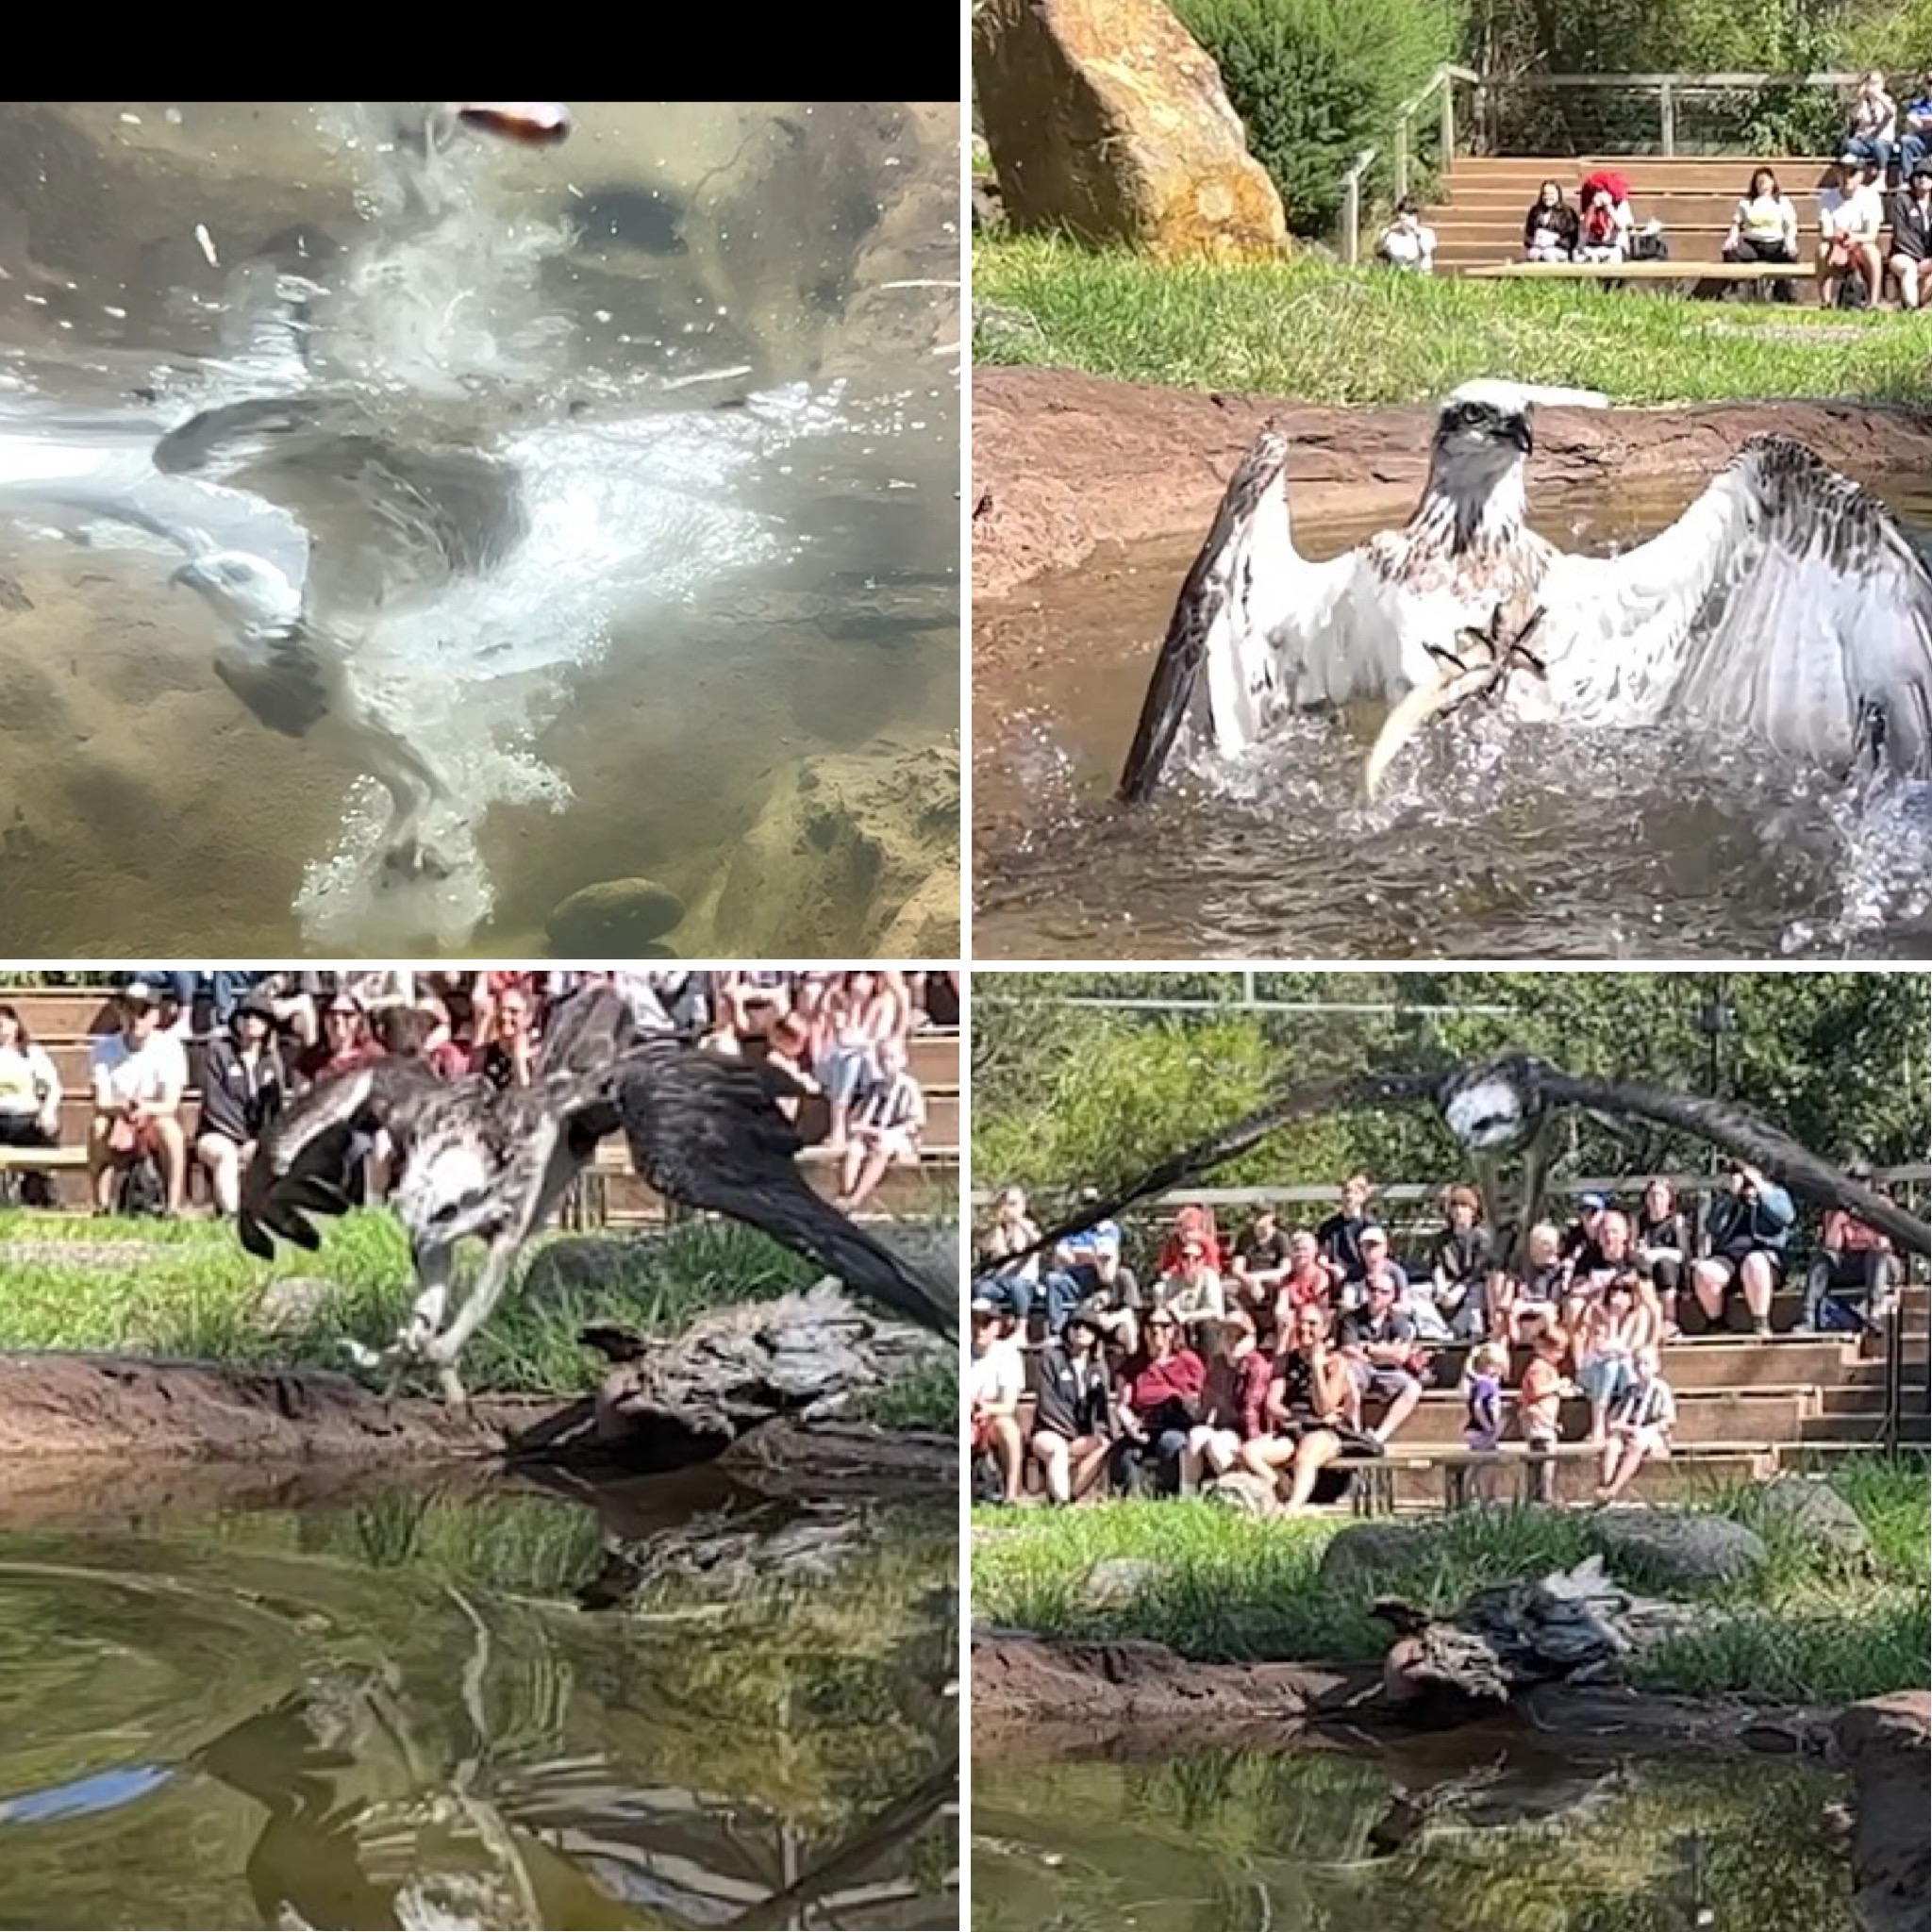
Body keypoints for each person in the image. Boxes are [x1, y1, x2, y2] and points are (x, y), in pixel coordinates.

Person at [1237, 1305, 1374, 1510]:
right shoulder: (1285, 1360)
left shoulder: (1336, 1362)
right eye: (1301, 1321)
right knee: (1249, 1452)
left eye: (1312, 1323)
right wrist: (1294, 1418)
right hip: (1296, 1426)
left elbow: (1324, 1408)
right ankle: (1281, 1488)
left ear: (1325, 1330)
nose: (1304, 1328)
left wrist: (1317, 1367)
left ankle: (1293, 1508)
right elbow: (1273, 1403)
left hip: (1327, 1430)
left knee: (1306, 1454)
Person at [87, 981, 191, 1217]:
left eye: (143, 1012)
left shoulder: (170, 1047)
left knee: (170, 1130)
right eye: (130, 1010)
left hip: (153, 1116)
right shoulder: (103, 1049)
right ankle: (100, 1204)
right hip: (118, 1115)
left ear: (156, 1015)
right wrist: (122, 1109)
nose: (136, 1018)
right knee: (98, 1127)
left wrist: (145, 1108)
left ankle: (173, 1206)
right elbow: (100, 1103)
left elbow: (170, 1104)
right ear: (120, 1012)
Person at [194, 995, 287, 1218]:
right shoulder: (219, 1053)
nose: (251, 1020)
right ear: (235, 1021)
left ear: (268, 1025)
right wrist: (241, 1139)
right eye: (245, 1015)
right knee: (226, 1154)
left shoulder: (272, 1062)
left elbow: (276, 1109)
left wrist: (257, 1140)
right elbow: (215, 1103)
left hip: (257, 1138)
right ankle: (233, 1216)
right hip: (216, 1133)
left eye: (259, 1016)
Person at [1692, 1161, 1794, 1337]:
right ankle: (1717, 1324)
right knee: (1704, 1271)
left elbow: (1785, 1217)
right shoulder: (1727, 1200)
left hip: (1765, 1259)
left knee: (1754, 1261)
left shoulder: (1776, 1193)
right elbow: (1713, 1226)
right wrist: (1731, 1198)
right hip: (1730, 1258)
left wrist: (1760, 1190)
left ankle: (1760, 1322)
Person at [1110, 1308, 1206, 1497]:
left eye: (1164, 1326)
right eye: (1151, 1325)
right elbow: (1122, 1404)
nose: (1157, 1331)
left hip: (1174, 1423)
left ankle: (1169, 1497)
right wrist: (1132, 1426)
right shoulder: (1133, 1365)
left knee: (1171, 1443)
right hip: (1141, 1425)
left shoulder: (1188, 1361)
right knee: (1126, 1452)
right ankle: (1132, 1503)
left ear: (1175, 1330)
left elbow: (1198, 1398)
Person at [1180, 1308, 1273, 1492]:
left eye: (1238, 1335)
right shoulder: (1218, 1363)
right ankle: (1188, 1496)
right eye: (1227, 1333)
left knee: (1218, 1444)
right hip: (1224, 1427)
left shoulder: (1257, 1366)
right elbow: (1208, 1403)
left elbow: (1251, 1409)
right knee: (1196, 1436)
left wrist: (1251, 1441)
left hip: (1250, 1433)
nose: (1231, 1340)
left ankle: (1238, 1493)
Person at [1029, 1307, 1114, 1504]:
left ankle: (1071, 1496)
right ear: (1067, 1330)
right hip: (1050, 1431)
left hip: (1084, 1435)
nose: (1081, 1330)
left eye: (1088, 1327)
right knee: (1058, 1449)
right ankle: (1061, 1500)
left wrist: (1096, 1434)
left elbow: (1101, 1412)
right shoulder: (1052, 1358)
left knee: (1105, 1445)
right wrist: (1070, 1437)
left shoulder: (1099, 1368)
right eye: (1076, 1325)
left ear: (1096, 1335)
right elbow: (1047, 1403)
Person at [1803, 1174, 1900, 1333]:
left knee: (1876, 1255)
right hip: (1850, 1262)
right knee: (1820, 1257)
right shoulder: (1835, 1210)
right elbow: (1832, 1246)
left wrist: (1866, 1222)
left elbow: (1883, 1244)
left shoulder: (1882, 1207)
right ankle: (1808, 1318)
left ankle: (1873, 1313)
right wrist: (1839, 1220)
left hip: (1881, 1263)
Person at [837, 1040, 924, 1212]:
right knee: (855, 1148)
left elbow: (916, 1122)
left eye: (891, 1058)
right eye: (882, 1059)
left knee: (883, 1147)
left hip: (900, 1137)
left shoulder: (908, 1087)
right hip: (873, 1133)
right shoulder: (875, 1087)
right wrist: (861, 1128)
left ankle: (856, 1199)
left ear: (903, 1059)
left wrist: (885, 1132)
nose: (887, 1064)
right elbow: (862, 1116)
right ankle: (846, 1193)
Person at [1339, 1271, 1425, 1444]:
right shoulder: (1351, 1318)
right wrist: (1386, 1351)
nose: (1376, 1295)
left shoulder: (1399, 1321)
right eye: (1373, 1289)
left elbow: (1401, 1356)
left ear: (1393, 1296)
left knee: (1414, 1388)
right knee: (1347, 1375)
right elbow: (1348, 1350)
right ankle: (1355, 1433)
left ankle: (1379, 1437)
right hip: (1360, 1370)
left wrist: (1368, 1348)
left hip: (1388, 1373)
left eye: (1384, 1292)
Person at [1576, 1272, 1655, 1446]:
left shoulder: (1641, 1314)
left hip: (1624, 1371)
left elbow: (1633, 1347)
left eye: (1625, 1291)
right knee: (1611, 1366)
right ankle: (1600, 1425)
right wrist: (1611, 1318)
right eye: (1614, 1290)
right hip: (1593, 1371)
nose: (1618, 1296)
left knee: (1620, 1367)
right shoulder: (1598, 1311)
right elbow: (1599, 1347)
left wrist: (1615, 1346)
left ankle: (1612, 1424)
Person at [0, 1004, 61, 1207]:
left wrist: (49, 1110)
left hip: (27, 1117)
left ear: (16, 1024)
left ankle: (43, 1195)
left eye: (6, 1021)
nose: (2, 1027)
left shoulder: (32, 1054)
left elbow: (53, 1087)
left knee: (46, 1130)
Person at [1595, 1349, 1675, 1505]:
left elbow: (1669, 1419)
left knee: (1637, 1444)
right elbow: (1617, 1415)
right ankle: (1606, 1484)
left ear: (1656, 1366)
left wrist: (1646, 1429)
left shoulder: (1660, 1389)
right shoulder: (1631, 1390)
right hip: (1629, 1431)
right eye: (1638, 1364)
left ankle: (1614, 1489)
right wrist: (1617, 1425)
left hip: (1652, 1433)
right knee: (1612, 1445)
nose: (1641, 1369)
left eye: (1646, 1364)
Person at [970, 1297, 1028, 1506]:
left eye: (986, 1323)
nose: (979, 1329)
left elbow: (1008, 1405)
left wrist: (986, 1408)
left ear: (998, 1326)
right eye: (974, 1321)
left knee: (1009, 1428)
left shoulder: (1007, 1355)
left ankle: (1012, 1494)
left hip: (991, 1414)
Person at [1721, 167, 1800, 302]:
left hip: (1775, 244)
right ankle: (1736, 291)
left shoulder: (1782, 201)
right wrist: (1731, 239)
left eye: (1766, 180)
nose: (1763, 184)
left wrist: (1790, 242)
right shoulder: (1746, 202)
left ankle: (1785, 294)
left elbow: (1790, 225)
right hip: (1752, 245)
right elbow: (1736, 224)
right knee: (1731, 252)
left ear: (1773, 182)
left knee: (1791, 255)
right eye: (1759, 181)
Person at [1428, 1184, 1497, 1341]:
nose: (1459, 1211)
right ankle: (1432, 1330)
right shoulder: (1440, 1239)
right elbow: (1437, 1266)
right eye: (1455, 1206)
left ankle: (1463, 1330)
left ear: (1473, 1211)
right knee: (1419, 1293)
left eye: (1464, 1206)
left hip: (1471, 1285)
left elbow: (1477, 1271)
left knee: (1477, 1293)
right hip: (1448, 1283)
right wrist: (1441, 1288)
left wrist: (1459, 1290)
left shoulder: (1482, 1239)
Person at [1820, 155, 1886, 309]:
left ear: (1861, 175)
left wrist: (1854, 237)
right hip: (1836, 241)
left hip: (1860, 242)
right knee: (1822, 250)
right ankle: (1825, 301)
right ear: (1837, 174)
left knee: (1872, 251)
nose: (1847, 177)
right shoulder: (1827, 198)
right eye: (1843, 172)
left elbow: (1872, 234)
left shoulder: (1871, 197)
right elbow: (1825, 232)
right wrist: (1837, 238)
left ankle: (1874, 302)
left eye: (1852, 172)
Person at [1519, 1323, 1571, 1503]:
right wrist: (1558, 1385)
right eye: (1556, 1351)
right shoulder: (1538, 1367)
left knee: (1547, 1459)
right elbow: (1536, 1391)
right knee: (1544, 1457)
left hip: (1546, 1421)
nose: (1561, 1356)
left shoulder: (1548, 1367)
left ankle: (1541, 1493)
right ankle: (1542, 1494)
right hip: (1538, 1420)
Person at [1634, 1177, 1691, 1337]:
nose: (1656, 1200)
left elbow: (1683, 1254)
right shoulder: (1640, 1222)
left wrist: (1658, 1252)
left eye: (1660, 1195)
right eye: (1652, 1195)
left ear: (1669, 1199)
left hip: (1673, 1272)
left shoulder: (1676, 1222)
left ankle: (1669, 1320)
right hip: (1646, 1270)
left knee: (1665, 1265)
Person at [1843, 71, 1900, 181]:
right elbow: (1855, 117)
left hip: (1883, 142)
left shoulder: (1888, 100)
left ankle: (1881, 177)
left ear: (1882, 85)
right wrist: (1860, 99)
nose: (1872, 86)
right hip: (1866, 142)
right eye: (1870, 83)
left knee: (1878, 144)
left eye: (1876, 83)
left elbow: (1891, 113)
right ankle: (1855, 172)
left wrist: (1878, 95)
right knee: (1850, 144)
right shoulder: (1864, 103)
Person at [1890, 163, 1932, 309]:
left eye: (1928, 176)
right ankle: (1911, 308)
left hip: (1928, 257)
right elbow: (1901, 234)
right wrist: (1919, 258)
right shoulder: (1902, 201)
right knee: (1909, 268)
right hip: (1904, 254)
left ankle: (1918, 302)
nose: (1923, 179)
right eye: (1919, 175)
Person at [1523, 178, 1578, 261]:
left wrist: (1554, 240)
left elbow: (1572, 238)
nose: (1547, 197)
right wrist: (1535, 241)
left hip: (1559, 249)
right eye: (1545, 194)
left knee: (1548, 253)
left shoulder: (1567, 212)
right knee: (1534, 253)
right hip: (1538, 247)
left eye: (1551, 194)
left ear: (1558, 194)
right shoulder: (1535, 211)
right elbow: (1528, 235)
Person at [1377, 196, 1437, 273]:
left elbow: (1426, 251)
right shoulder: (1392, 236)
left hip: (1422, 275)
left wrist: (1415, 229)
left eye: (1405, 219)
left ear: (1415, 217)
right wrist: (1389, 230)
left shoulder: (1427, 233)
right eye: (1401, 220)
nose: (1404, 223)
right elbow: (1382, 248)